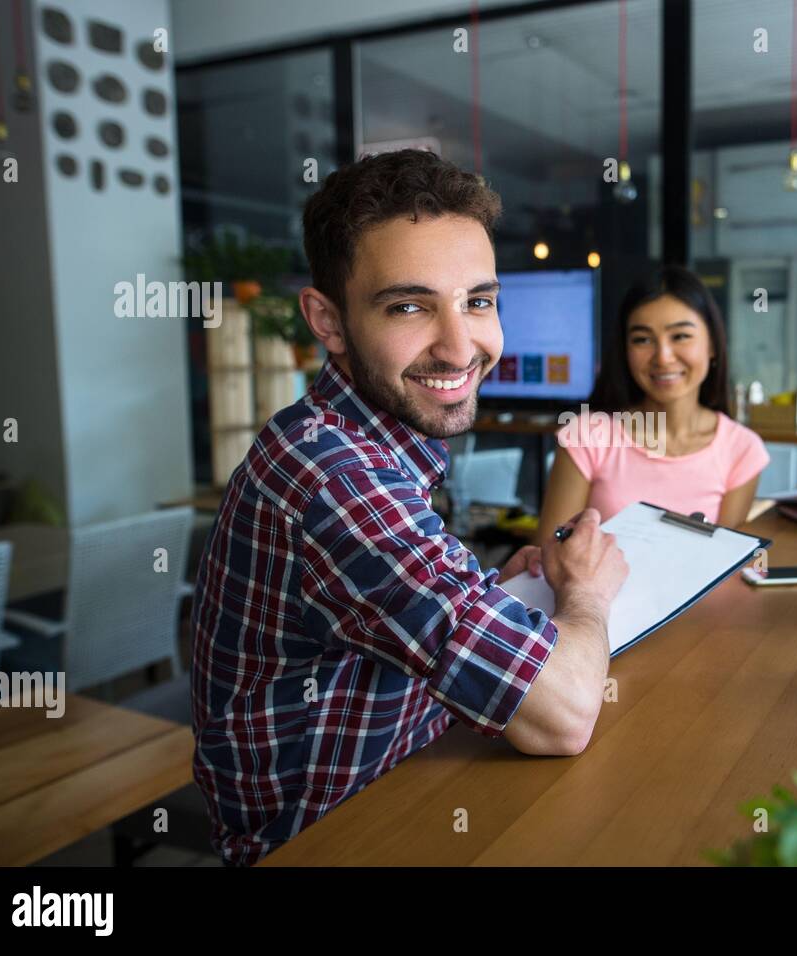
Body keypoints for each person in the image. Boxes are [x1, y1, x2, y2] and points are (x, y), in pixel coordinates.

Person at [190, 149, 628, 865]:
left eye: (478, 301)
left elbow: (377, 619)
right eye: (408, 306)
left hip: (402, 790)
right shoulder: (333, 478)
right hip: (327, 843)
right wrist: (587, 596)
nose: (460, 347)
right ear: (328, 321)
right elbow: (566, 711)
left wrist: (486, 596)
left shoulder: (358, 439)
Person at [537, 266, 769, 540]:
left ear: (712, 345)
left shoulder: (742, 450)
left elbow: (726, 559)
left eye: (680, 336)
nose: (663, 357)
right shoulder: (586, 437)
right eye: (642, 340)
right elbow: (548, 552)